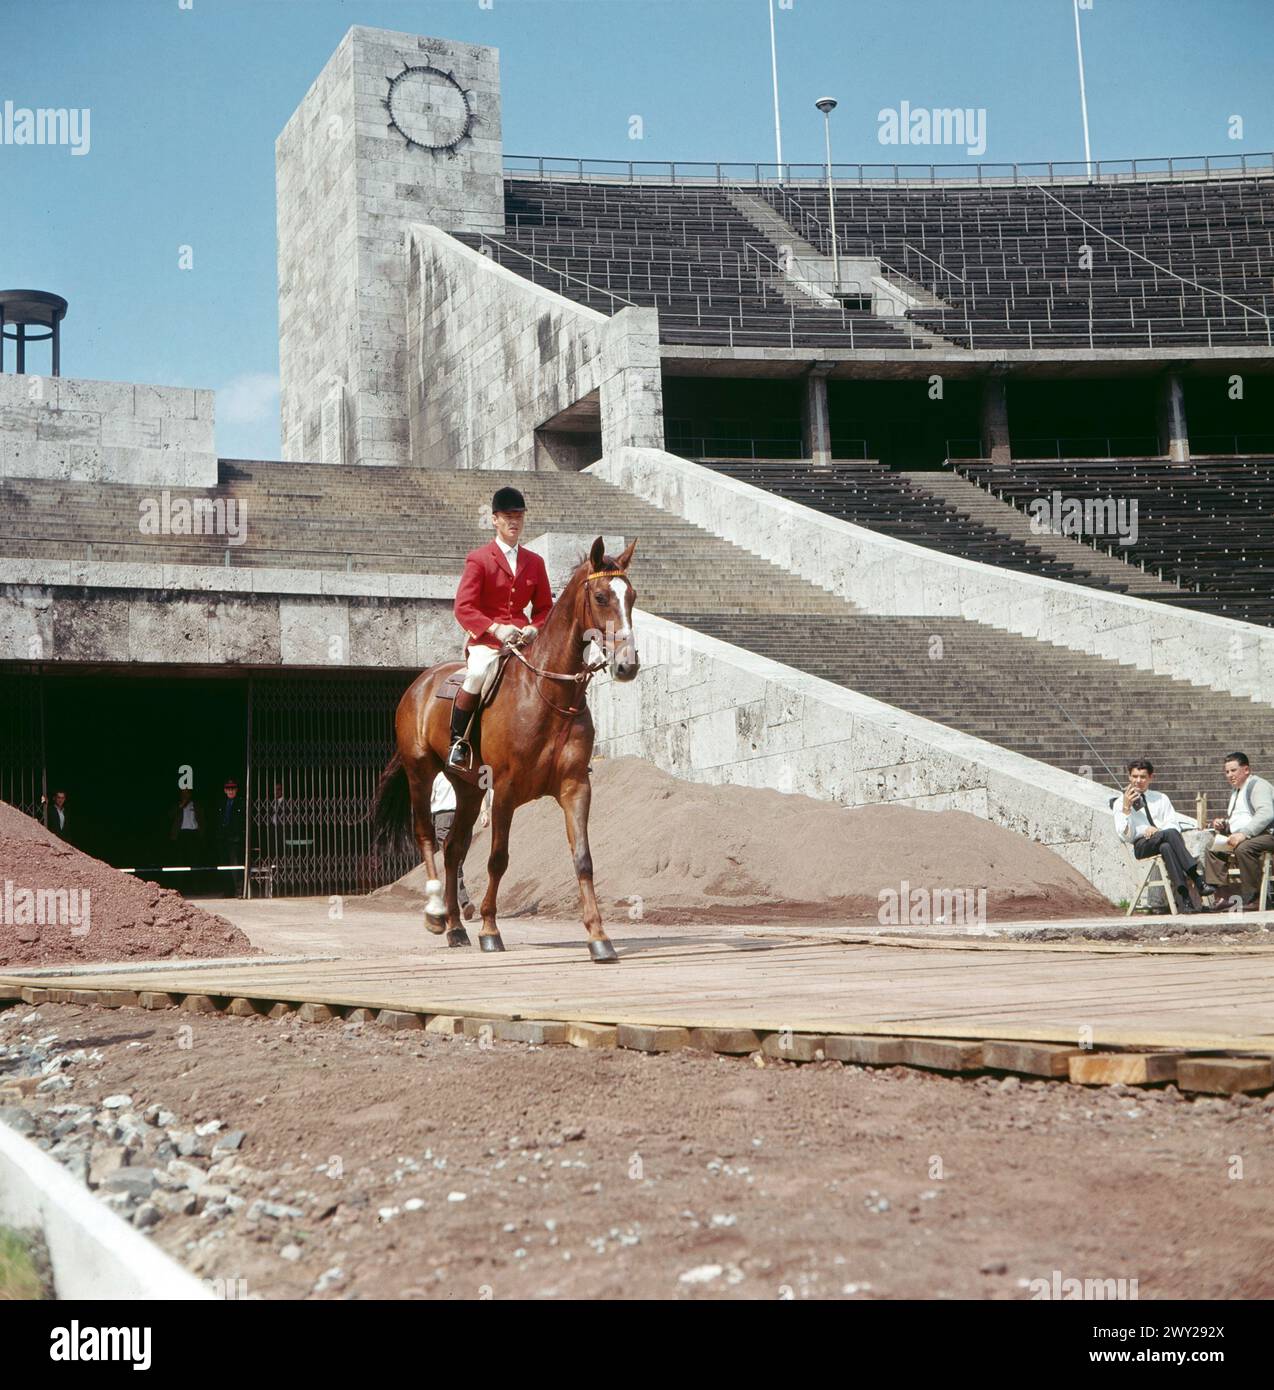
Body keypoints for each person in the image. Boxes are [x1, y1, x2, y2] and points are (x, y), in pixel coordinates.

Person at [448, 486, 553, 769]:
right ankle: (459, 742)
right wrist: (495, 629)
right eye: (508, 516)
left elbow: (544, 608)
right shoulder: (479, 558)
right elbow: (464, 608)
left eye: (518, 515)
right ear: (494, 519)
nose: (514, 521)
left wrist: (534, 628)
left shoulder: (535, 562)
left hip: (522, 640)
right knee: (478, 674)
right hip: (488, 642)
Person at [1112, 758, 1210, 913]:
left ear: (1151, 777)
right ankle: (1197, 879)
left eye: (1143, 777)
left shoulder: (1161, 798)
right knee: (1169, 835)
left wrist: (1157, 830)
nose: (1138, 781)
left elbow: (1173, 824)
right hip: (1142, 845)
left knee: (1166, 846)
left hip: (1162, 840)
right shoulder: (1120, 803)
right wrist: (1127, 810)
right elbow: (1125, 836)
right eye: (1135, 776)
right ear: (1129, 777)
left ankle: (1184, 900)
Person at [1202, 752, 1274, 911]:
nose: (1230, 775)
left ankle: (1252, 898)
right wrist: (1224, 825)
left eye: (1233, 770)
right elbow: (1241, 819)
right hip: (1247, 835)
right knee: (1213, 847)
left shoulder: (1258, 785)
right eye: (1227, 772)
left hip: (1267, 834)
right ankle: (1223, 897)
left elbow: (1266, 813)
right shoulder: (1236, 792)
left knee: (1244, 848)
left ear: (1246, 770)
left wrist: (1243, 834)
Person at [430, 771, 492, 920]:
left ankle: (460, 903)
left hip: (443, 817)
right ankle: (454, 904)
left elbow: (430, 799)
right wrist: (484, 811)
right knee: (456, 864)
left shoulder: (437, 775)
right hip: (464, 817)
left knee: (453, 864)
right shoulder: (466, 773)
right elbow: (481, 789)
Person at [215, 777, 247, 897]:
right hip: (223, 839)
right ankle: (227, 891)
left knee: (236, 865)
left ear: (236, 790)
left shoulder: (241, 802)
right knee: (224, 865)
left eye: (233, 788)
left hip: (235, 839)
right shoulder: (221, 803)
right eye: (228, 789)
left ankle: (239, 891)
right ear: (225, 790)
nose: (230, 791)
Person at [169, 788, 204, 865]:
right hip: (181, 833)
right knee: (181, 858)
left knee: (194, 857)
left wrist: (200, 831)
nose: (185, 795)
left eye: (186, 793)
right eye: (183, 793)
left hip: (193, 833)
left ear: (190, 794)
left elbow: (201, 818)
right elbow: (170, 816)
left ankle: (194, 875)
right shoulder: (177, 805)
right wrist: (180, 806)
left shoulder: (195, 805)